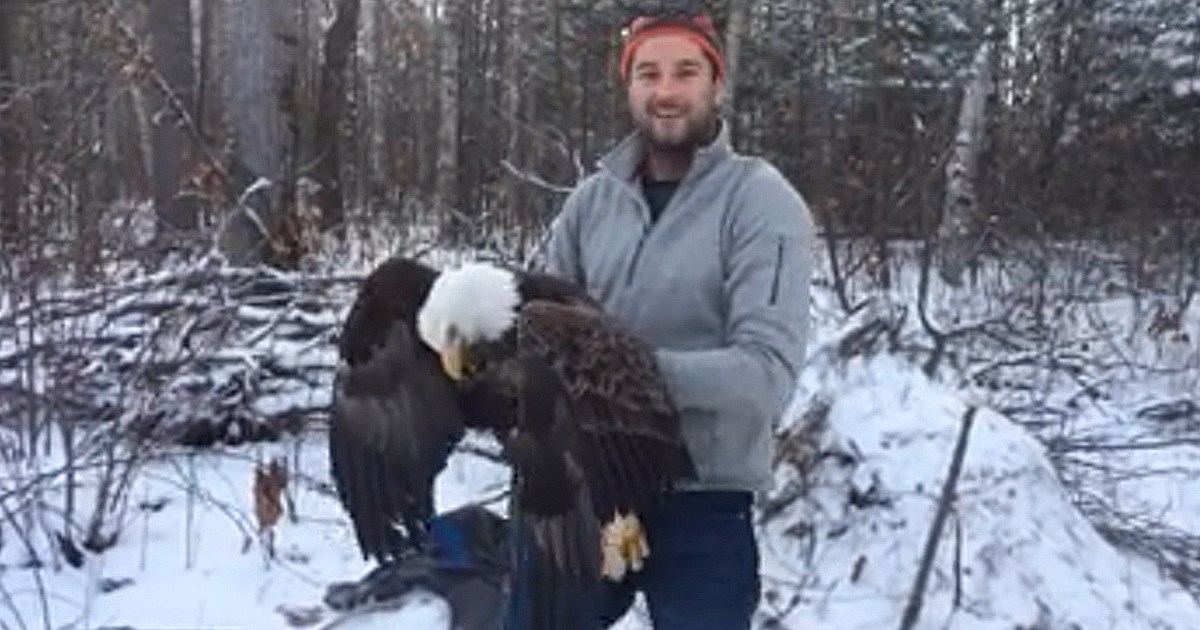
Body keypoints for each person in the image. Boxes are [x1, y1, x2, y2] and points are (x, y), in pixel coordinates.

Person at [531, 8, 815, 630]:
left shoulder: (761, 201)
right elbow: (541, 339)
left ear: (716, 83)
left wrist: (621, 380)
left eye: (686, 71)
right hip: (585, 490)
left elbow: (765, 376)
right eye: (648, 73)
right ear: (628, 86)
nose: (665, 92)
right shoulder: (590, 204)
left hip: (702, 498)